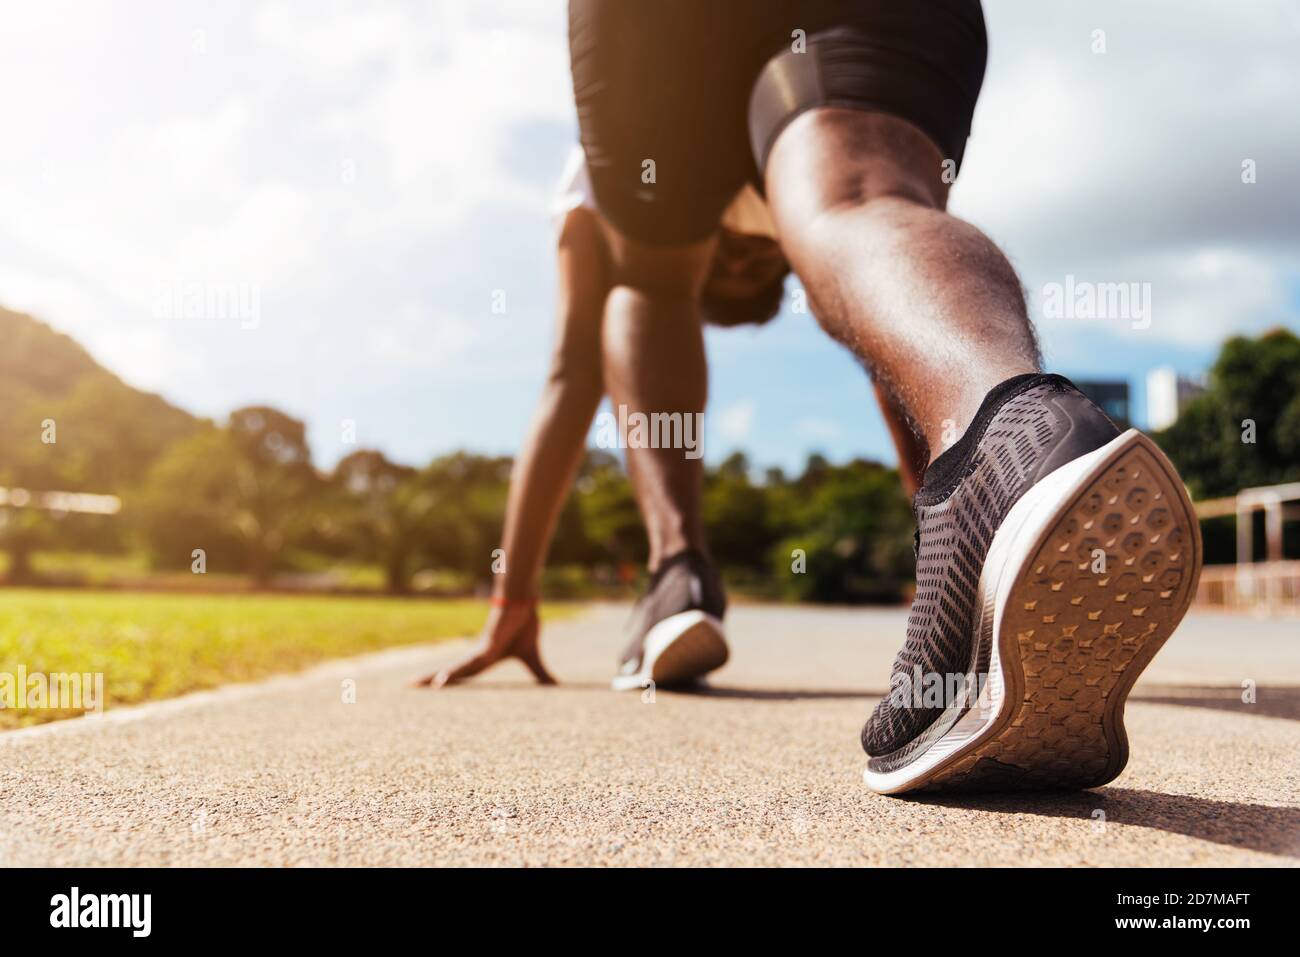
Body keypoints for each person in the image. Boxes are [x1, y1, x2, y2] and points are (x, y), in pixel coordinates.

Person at [549, 0, 1203, 794]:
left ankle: (677, 570)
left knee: (649, 283)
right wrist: (956, 508)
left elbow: (567, 380)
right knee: (862, 198)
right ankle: (1008, 430)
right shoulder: (789, 184)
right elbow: (891, 361)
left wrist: (513, 595)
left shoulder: (612, 201)